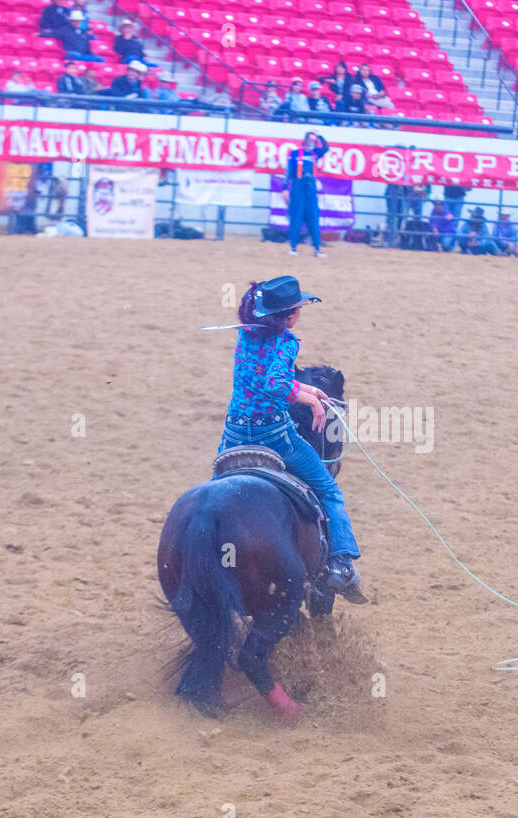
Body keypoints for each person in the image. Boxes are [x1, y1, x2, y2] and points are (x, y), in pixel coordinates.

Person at [219, 275, 364, 600]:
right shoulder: (286, 342)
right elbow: (274, 384)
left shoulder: (246, 336)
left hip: (236, 433)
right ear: (290, 314)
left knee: (217, 480)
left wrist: (308, 390)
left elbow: (259, 380)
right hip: (274, 435)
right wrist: (311, 400)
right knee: (329, 490)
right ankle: (341, 561)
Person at [285, 131, 329, 257]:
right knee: (296, 218)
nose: (311, 142)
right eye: (310, 139)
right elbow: (288, 171)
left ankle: (317, 248)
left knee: (313, 218)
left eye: (314, 140)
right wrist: (285, 188)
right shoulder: (295, 154)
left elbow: (326, 148)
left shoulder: (315, 154)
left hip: (311, 189)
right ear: (305, 139)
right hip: (297, 188)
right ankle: (293, 247)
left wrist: (319, 135)